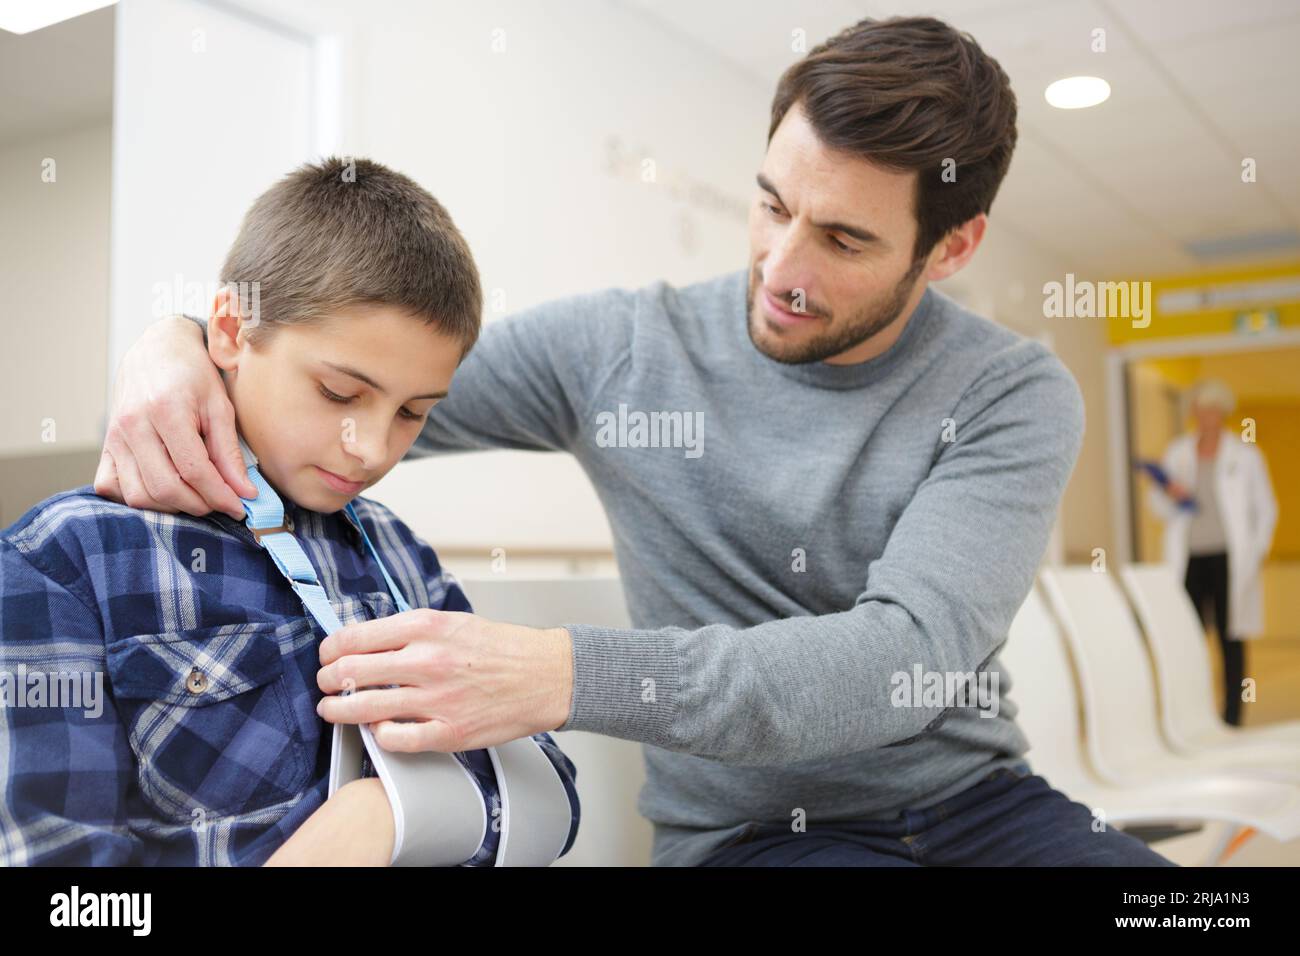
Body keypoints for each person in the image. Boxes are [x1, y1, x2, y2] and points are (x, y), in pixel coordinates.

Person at [94, 17, 1174, 865]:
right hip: (757, 839)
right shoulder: (619, 350)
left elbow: (902, 662)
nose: (779, 265)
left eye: (842, 237)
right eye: (770, 204)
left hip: (981, 804)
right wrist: (179, 339)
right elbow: (355, 393)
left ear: (952, 247)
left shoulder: (1008, 391)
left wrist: (563, 669)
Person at [0, 157, 579, 866]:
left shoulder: (398, 556)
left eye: (414, 413)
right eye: (339, 394)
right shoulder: (68, 559)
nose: (370, 450)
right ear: (231, 333)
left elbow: (550, 791)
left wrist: (386, 817)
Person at [1147, 378, 1279, 726]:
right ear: (1194, 412)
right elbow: (1156, 507)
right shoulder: (1178, 453)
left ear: (1222, 414)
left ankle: (1232, 715)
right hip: (1190, 559)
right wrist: (1169, 495)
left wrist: (1255, 552)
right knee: (1189, 637)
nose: (1206, 417)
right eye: (1200, 410)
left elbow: (1266, 509)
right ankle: (1193, 713)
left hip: (1230, 560)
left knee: (1230, 638)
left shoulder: (1246, 455)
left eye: (1212, 411)